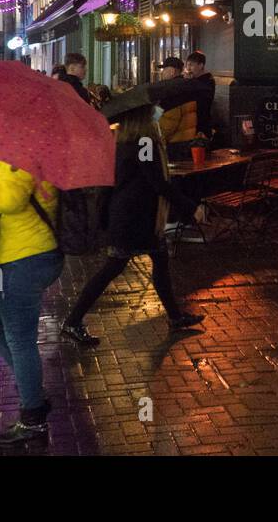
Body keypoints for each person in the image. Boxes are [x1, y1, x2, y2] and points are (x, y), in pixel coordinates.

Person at [60, 100, 206, 347]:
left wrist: (104, 216)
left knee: (159, 261)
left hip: (131, 217)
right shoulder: (144, 143)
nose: (156, 114)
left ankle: (175, 315)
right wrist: (191, 207)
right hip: (135, 219)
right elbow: (157, 183)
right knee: (113, 268)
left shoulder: (122, 142)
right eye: (151, 112)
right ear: (143, 117)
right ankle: (73, 320)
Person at [0, 158, 65, 447]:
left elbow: (11, 199)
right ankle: (33, 393)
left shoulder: (19, 154)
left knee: (19, 339)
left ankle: (33, 419)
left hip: (24, 258)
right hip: (25, 255)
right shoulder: (32, 150)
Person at [154, 57, 196, 158]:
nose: (162, 72)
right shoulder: (186, 86)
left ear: (172, 71)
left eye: (164, 69)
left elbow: (169, 122)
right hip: (189, 141)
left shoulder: (172, 91)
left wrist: (157, 138)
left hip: (176, 145)